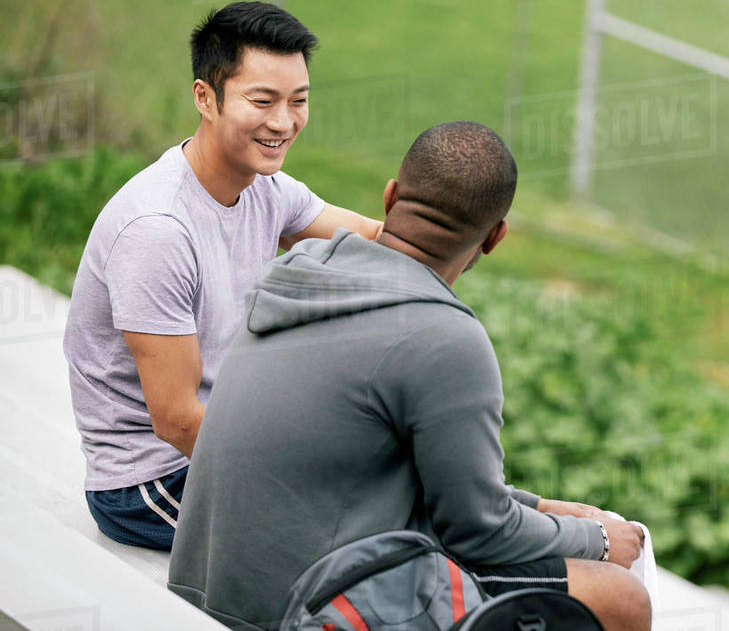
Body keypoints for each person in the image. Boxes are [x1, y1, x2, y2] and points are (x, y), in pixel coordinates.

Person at [168, 122, 651, 631]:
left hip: (204, 587)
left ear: (391, 196)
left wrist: (547, 509)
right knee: (620, 598)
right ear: (494, 238)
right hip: (299, 614)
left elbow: (422, 484)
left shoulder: (300, 272)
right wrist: (598, 540)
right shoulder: (444, 337)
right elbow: (477, 533)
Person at [63, 2, 384, 551]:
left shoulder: (263, 187)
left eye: (298, 101)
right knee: (355, 538)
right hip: (151, 481)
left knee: (382, 493)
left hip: (223, 437)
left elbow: (371, 241)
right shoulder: (158, 229)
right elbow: (178, 421)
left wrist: (456, 223)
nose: (283, 122)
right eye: (262, 101)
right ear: (204, 98)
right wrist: (302, 476)